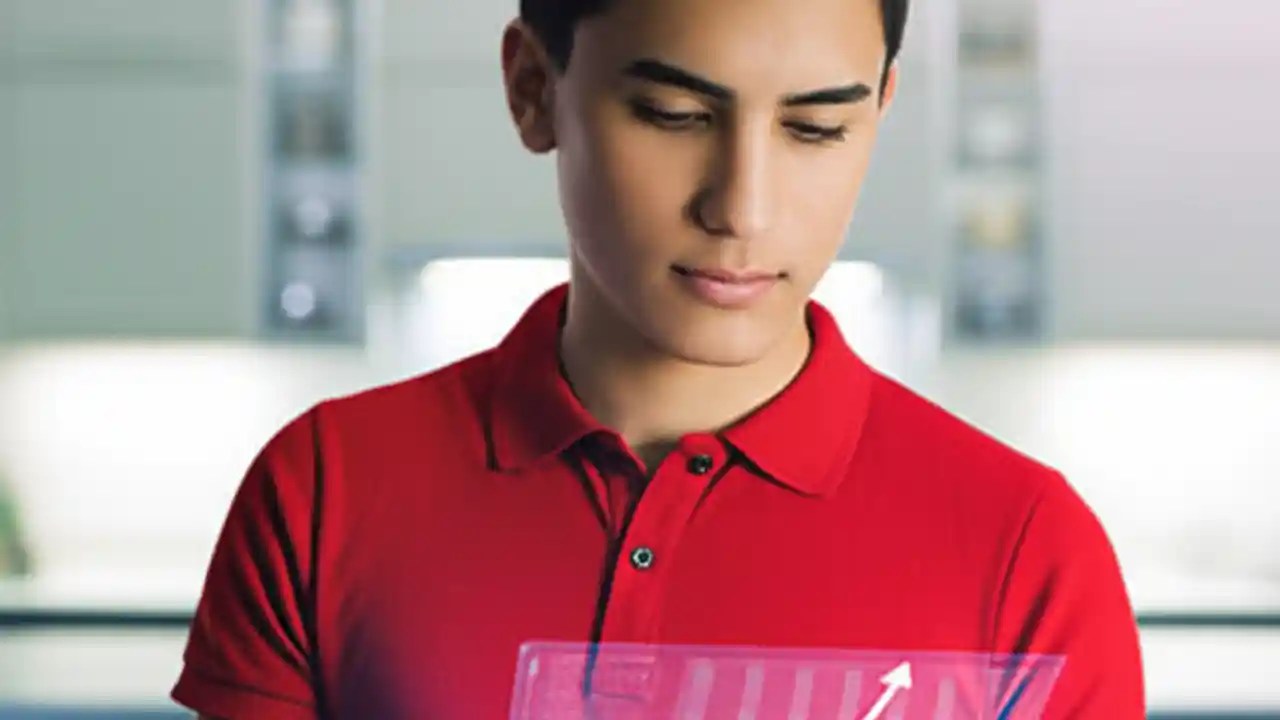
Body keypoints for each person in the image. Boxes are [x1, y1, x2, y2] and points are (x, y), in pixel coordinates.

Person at [173, 0, 1145, 717]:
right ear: (532, 90)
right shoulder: (324, 490)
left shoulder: (1029, 552)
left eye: (815, 128)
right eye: (676, 115)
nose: (742, 208)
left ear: (880, 113)